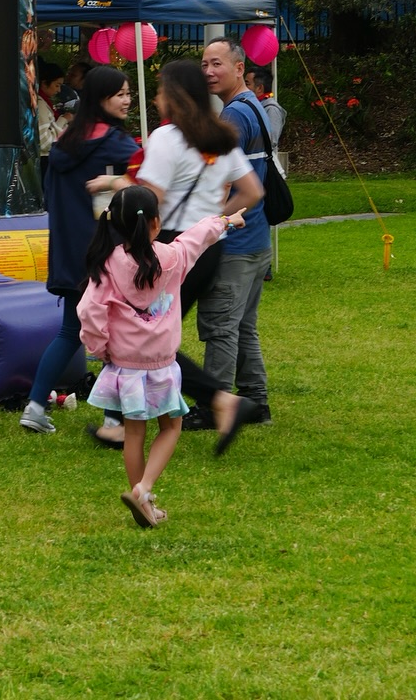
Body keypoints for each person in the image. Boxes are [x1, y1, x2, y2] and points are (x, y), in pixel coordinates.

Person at [78, 184, 244, 527]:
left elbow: (89, 310)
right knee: (171, 426)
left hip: (125, 364)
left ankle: (142, 499)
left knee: (134, 433)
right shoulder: (172, 258)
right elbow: (198, 236)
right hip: (162, 364)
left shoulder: (107, 265)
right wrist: (227, 221)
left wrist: (100, 348)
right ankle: (144, 491)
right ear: (156, 222)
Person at [137, 60, 265, 449]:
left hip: (170, 249)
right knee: (150, 337)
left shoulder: (165, 139)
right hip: (206, 250)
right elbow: (252, 193)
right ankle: (129, 417)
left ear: (173, 95)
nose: (156, 97)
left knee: (145, 341)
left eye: (159, 90)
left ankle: (220, 400)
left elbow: (149, 202)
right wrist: (213, 222)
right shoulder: (220, 137)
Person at [19, 64, 140, 436]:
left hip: (70, 254)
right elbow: (149, 177)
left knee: (71, 330)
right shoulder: (115, 142)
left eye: (127, 93)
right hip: (106, 255)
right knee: (117, 334)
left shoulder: (64, 141)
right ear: (102, 99)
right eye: (120, 93)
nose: (127, 100)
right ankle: (112, 418)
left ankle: (36, 406)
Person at [196, 36, 277, 425]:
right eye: (204, 64)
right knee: (243, 325)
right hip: (257, 239)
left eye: (217, 64)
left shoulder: (233, 116)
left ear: (240, 68)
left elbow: (223, 184)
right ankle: (256, 403)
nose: (209, 72)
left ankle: (216, 408)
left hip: (238, 240)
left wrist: (209, 223)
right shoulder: (254, 107)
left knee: (220, 326)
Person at [35, 59, 68, 182]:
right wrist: (63, 120)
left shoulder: (44, 102)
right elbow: (44, 143)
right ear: (44, 84)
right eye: (57, 85)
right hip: (45, 161)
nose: (58, 90)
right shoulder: (41, 105)